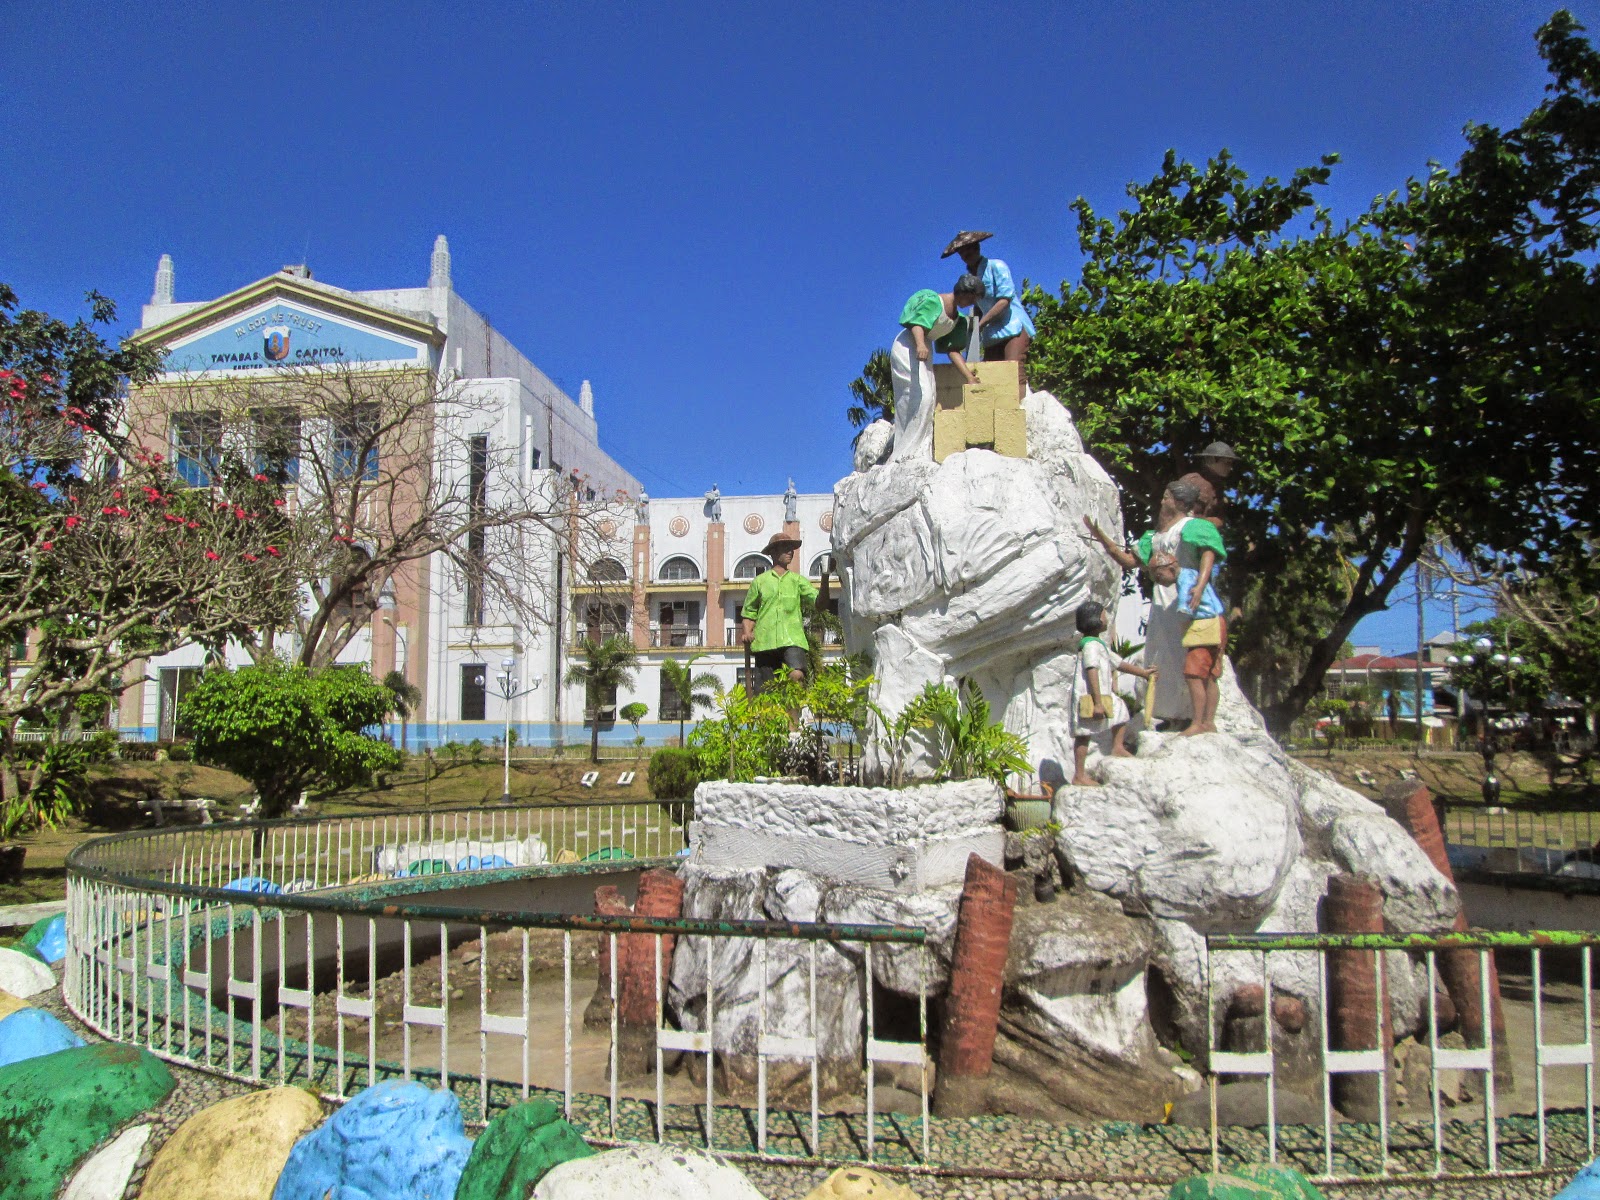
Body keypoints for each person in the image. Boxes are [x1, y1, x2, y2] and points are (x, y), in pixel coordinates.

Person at [1083, 479, 1228, 731]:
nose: (1162, 502)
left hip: (1188, 601)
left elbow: (1208, 553)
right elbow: (1129, 560)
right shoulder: (1154, 536)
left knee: (1193, 663)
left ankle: (1197, 717)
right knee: (1165, 659)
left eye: (1167, 497)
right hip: (1162, 608)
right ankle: (1171, 714)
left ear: (1181, 503)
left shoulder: (1191, 527)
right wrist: (1100, 536)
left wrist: (1201, 585)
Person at [890, 276, 983, 461]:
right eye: (971, 298)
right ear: (963, 292)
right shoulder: (934, 301)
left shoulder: (959, 320)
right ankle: (904, 451)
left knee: (930, 397)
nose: (972, 302)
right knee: (919, 396)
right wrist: (920, 345)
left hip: (925, 349)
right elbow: (917, 323)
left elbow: (952, 350)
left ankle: (918, 451)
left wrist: (969, 377)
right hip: (909, 346)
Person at [1069, 601, 1158, 785]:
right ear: (1094, 619)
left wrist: (1143, 673)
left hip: (1103, 694)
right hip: (1090, 696)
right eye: (1103, 615)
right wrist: (1098, 701)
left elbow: (1117, 663)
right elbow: (1091, 669)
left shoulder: (1098, 644)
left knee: (1121, 711)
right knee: (1084, 733)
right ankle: (1079, 775)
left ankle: (1117, 746)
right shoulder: (1090, 646)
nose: (1106, 618)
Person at [740, 532, 817, 692]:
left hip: (792, 639)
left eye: (792, 549)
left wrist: (824, 577)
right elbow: (749, 613)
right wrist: (747, 631)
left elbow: (819, 601)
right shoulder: (760, 582)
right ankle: (769, 717)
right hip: (765, 641)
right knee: (766, 691)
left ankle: (793, 716)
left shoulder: (797, 580)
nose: (790, 552)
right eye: (786, 548)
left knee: (796, 675)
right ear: (773, 552)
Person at [943, 230, 1035, 364]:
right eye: (961, 252)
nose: (966, 254)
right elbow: (978, 308)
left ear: (977, 248)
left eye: (969, 249)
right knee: (989, 375)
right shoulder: (972, 280)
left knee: (1013, 371)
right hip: (992, 334)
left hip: (1012, 326)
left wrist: (980, 324)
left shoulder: (996, 266)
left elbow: (1004, 301)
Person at [1174, 441, 1239, 528]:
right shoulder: (1191, 480)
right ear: (1211, 460)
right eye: (1227, 463)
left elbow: (1219, 519)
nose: (1230, 468)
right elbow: (1172, 510)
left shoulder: (1218, 488)